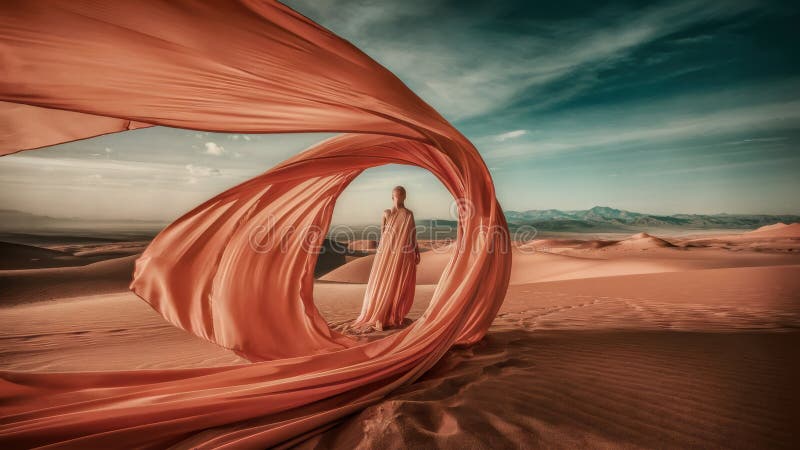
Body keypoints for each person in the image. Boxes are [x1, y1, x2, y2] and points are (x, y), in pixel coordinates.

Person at [350, 185, 420, 332]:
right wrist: (381, 254)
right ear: (392, 196)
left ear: (405, 196)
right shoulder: (386, 213)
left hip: (404, 252)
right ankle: (382, 313)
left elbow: (413, 234)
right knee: (385, 280)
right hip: (388, 253)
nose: (399, 197)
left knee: (400, 282)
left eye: (401, 194)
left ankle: (394, 314)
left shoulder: (409, 214)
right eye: (396, 194)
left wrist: (417, 250)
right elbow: (382, 235)